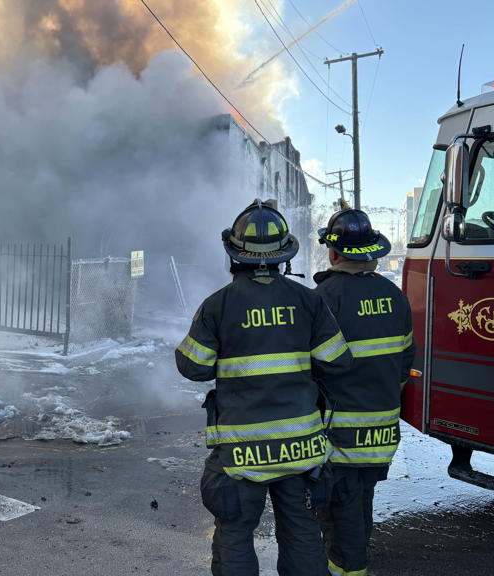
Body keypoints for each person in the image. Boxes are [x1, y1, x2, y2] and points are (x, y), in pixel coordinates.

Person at [176, 199, 353, 576]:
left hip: (241, 452)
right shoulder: (308, 301)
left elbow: (193, 367)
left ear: (233, 256)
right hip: (301, 446)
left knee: (236, 534)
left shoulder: (217, 306)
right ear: (284, 256)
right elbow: (338, 362)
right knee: (303, 532)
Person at [313, 208, 416, 576]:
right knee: (360, 507)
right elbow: (405, 364)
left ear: (334, 253)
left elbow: (311, 370)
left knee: (340, 524)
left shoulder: (324, 297)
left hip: (338, 436)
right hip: (382, 433)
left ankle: (349, 569)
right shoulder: (394, 296)